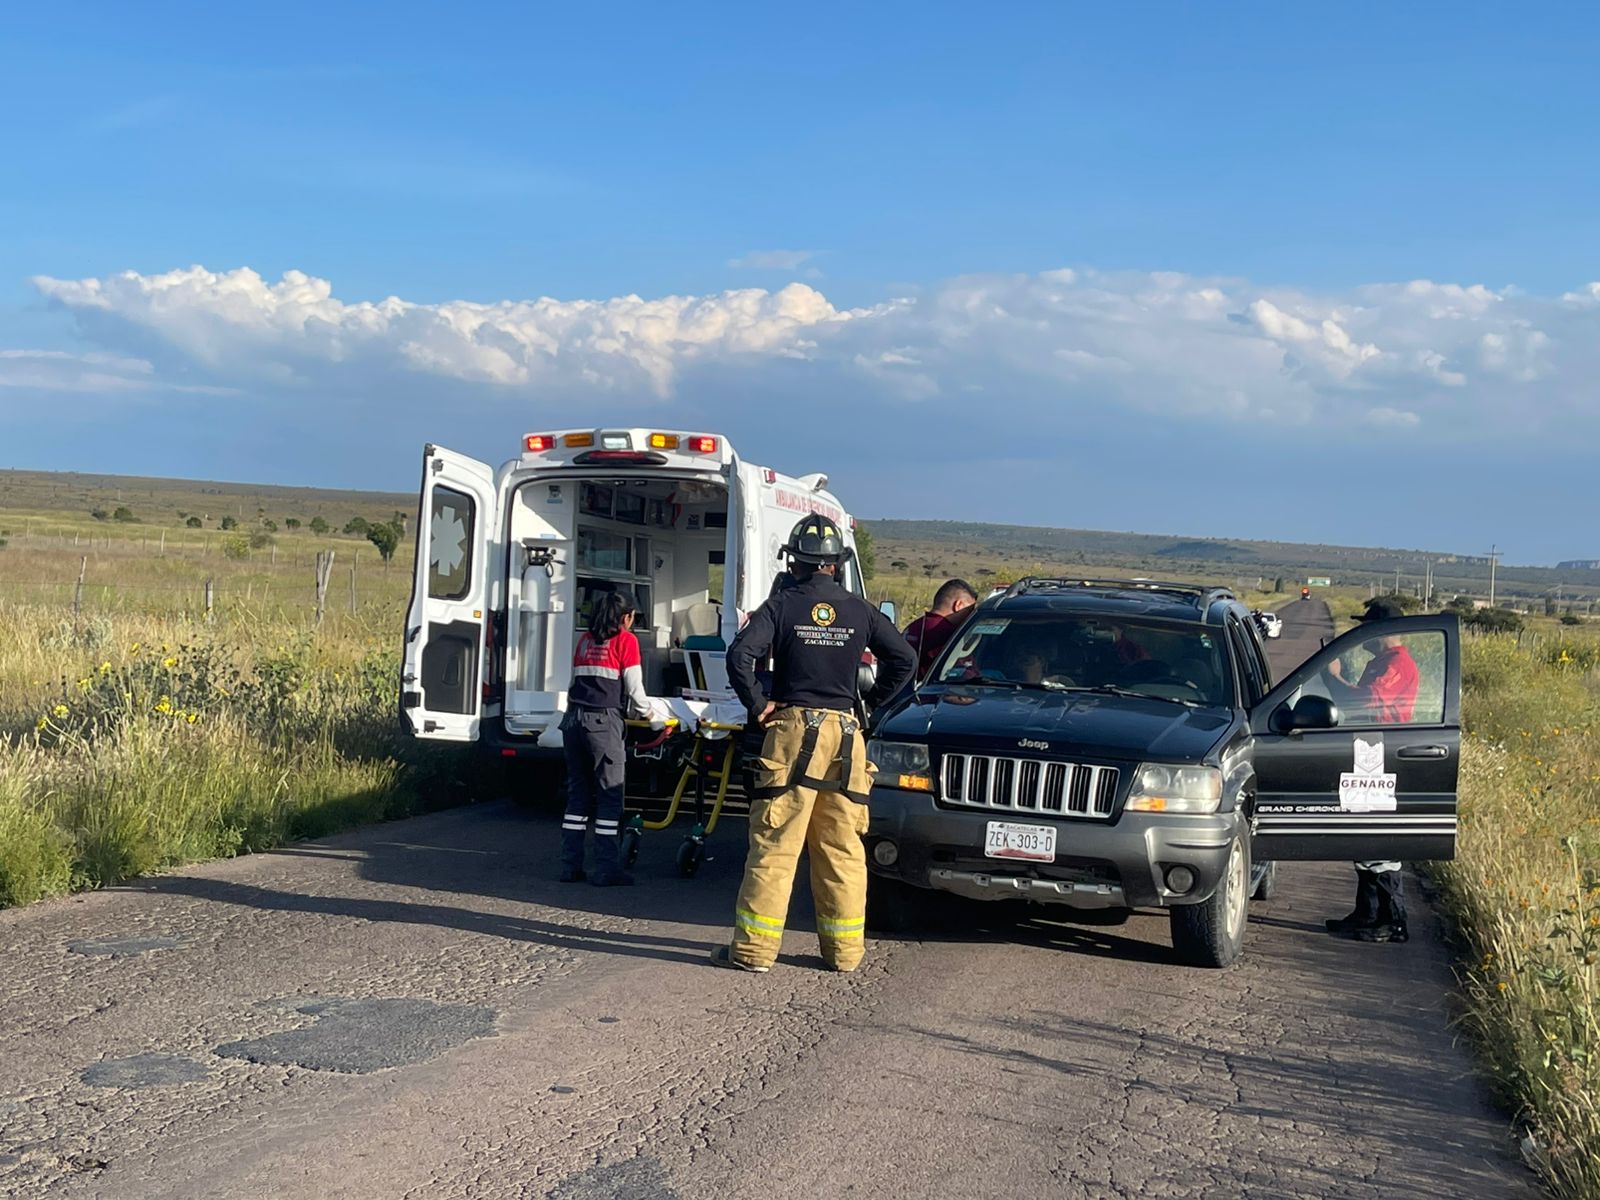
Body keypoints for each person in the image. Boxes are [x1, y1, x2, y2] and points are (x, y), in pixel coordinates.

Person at [711, 514, 917, 973]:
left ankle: (753, 953)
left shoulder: (781, 606)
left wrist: (759, 705)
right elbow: (905, 659)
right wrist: (871, 709)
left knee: (775, 846)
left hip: (789, 732)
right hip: (846, 737)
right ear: (837, 563)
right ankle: (844, 955)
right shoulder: (861, 610)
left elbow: (740, 654)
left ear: (795, 561)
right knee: (842, 848)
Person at [1322, 598, 1420, 943]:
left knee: (1379, 840)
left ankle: (1392, 921)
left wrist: (1333, 680)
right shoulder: (1383, 662)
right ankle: (1366, 914)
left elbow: (1366, 701)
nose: (1362, 631)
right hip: (1370, 750)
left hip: (1381, 753)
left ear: (1384, 630)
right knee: (1364, 837)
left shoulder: (1397, 664)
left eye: (1367, 625)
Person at [560, 588, 656, 886]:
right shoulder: (626, 641)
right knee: (610, 796)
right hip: (603, 722)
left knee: (577, 796)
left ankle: (570, 866)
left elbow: (573, 680)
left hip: (573, 720)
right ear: (626, 617)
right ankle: (606, 869)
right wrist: (652, 719)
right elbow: (635, 690)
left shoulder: (585, 640)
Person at [901, 578, 978, 678]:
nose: (969, 616)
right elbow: (966, 673)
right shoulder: (949, 633)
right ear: (958, 605)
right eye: (969, 610)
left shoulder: (913, 627)